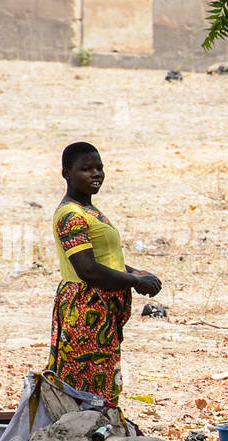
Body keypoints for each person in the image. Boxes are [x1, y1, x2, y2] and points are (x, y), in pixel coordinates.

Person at [47, 142, 161, 402]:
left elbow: (103, 259)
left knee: (102, 380)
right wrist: (134, 280)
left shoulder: (90, 211)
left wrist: (134, 272)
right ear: (66, 173)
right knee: (88, 387)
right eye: (86, 169)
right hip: (87, 310)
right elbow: (87, 269)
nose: (95, 174)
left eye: (99, 168)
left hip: (100, 312)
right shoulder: (71, 215)